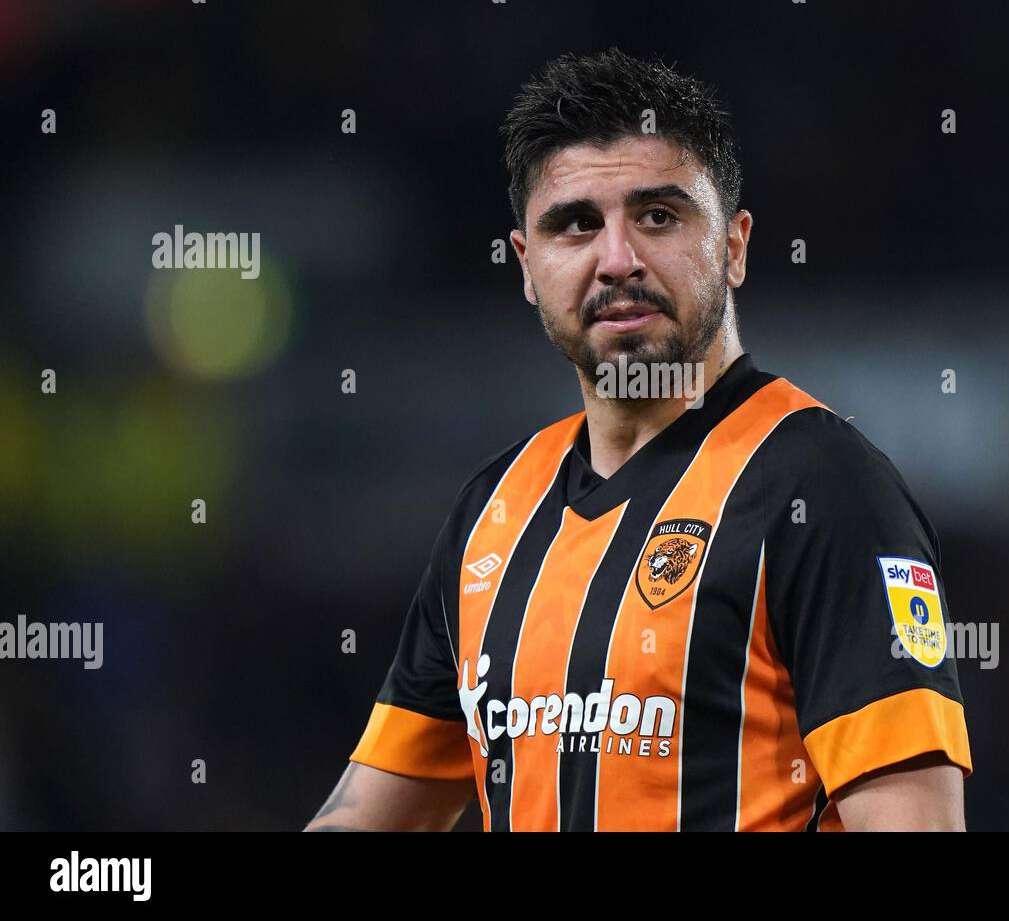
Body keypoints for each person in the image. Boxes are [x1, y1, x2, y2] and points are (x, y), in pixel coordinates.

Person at [306, 47, 971, 831]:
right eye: (575, 225)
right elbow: (371, 815)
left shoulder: (821, 488)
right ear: (526, 265)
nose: (617, 259)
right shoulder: (494, 509)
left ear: (733, 245)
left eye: (658, 216)